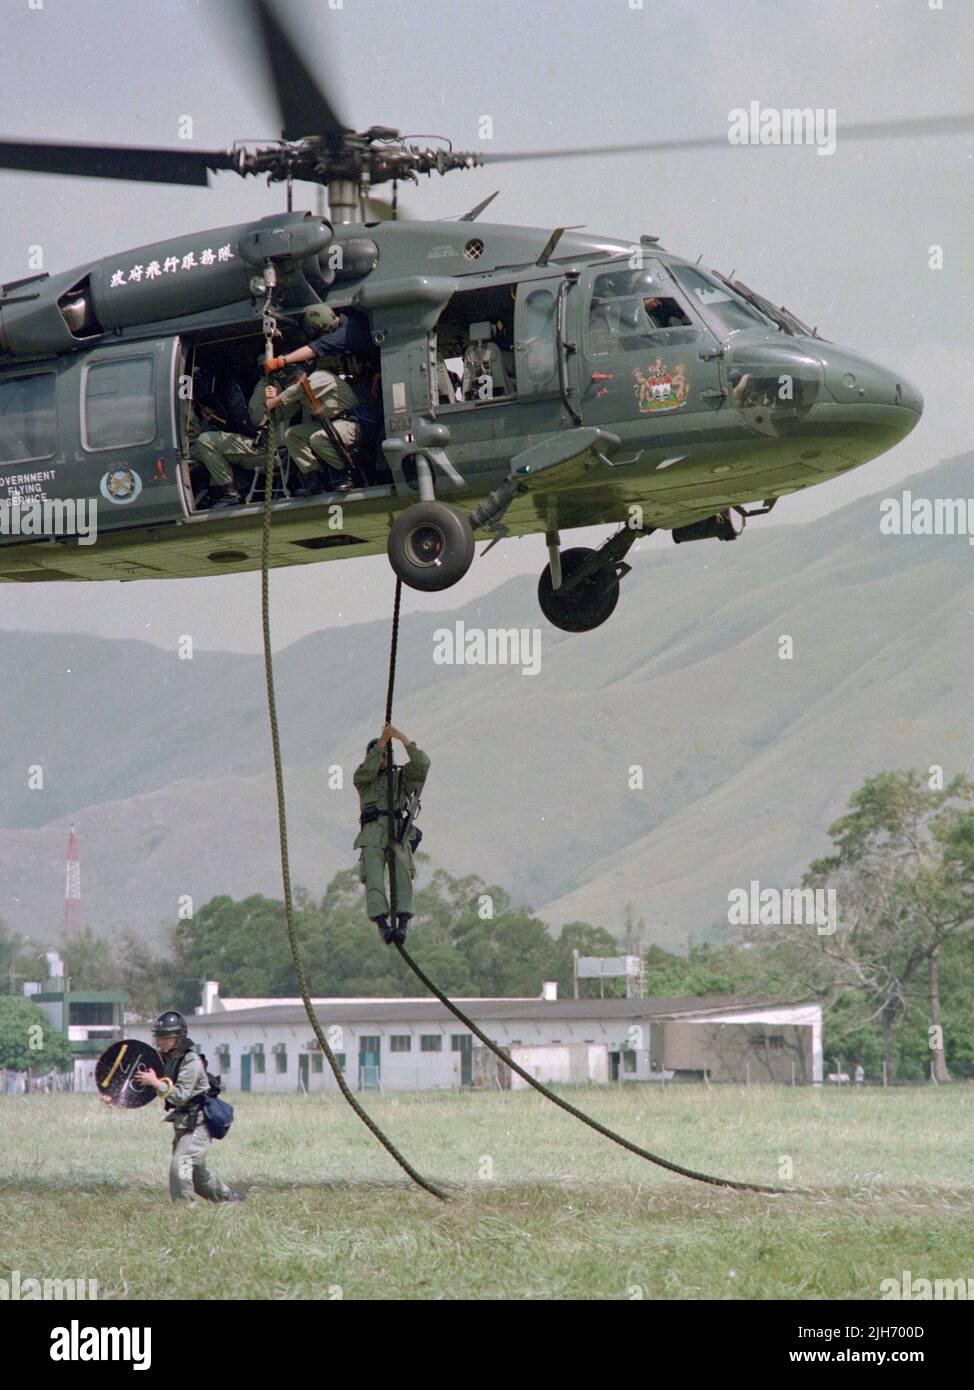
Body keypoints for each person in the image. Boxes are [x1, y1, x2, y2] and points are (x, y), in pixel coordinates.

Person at [100, 1010, 244, 1207]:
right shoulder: (162, 1060)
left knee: (181, 1165)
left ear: (178, 1038)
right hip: (183, 1124)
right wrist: (115, 1096)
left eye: (165, 1038)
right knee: (196, 1175)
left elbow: (180, 1095)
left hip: (199, 1124)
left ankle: (184, 1211)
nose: (160, 1042)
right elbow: (136, 1083)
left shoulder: (191, 1061)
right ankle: (228, 1198)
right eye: (158, 1037)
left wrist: (155, 1082)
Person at [354, 723, 429, 944]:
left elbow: (422, 765)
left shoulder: (400, 778)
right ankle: (383, 925)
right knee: (374, 879)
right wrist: (382, 743)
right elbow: (366, 770)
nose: (383, 761)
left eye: (386, 756)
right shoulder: (363, 780)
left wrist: (403, 739)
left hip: (397, 833)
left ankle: (403, 924)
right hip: (372, 834)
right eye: (379, 756)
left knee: (402, 875)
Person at [190, 362, 298, 508]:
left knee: (205, 441)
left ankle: (228, 493)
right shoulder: (282, 387)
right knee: (201, 448)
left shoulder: (266, 387)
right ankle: (229, 488)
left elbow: (255, 421)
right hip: (267, 442)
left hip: (264, 445)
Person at [266, 349, 374, 494]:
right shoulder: (296, 391)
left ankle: (345, 475)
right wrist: (269, 400)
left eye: (293, 379)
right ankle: (313, 478)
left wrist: (276, 400)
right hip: (329, 425)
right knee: (292, 434)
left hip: (349, 424)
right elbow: (278, 416)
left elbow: (301, 388)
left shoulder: (320, 377)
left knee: (318, 439)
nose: (291, 383)